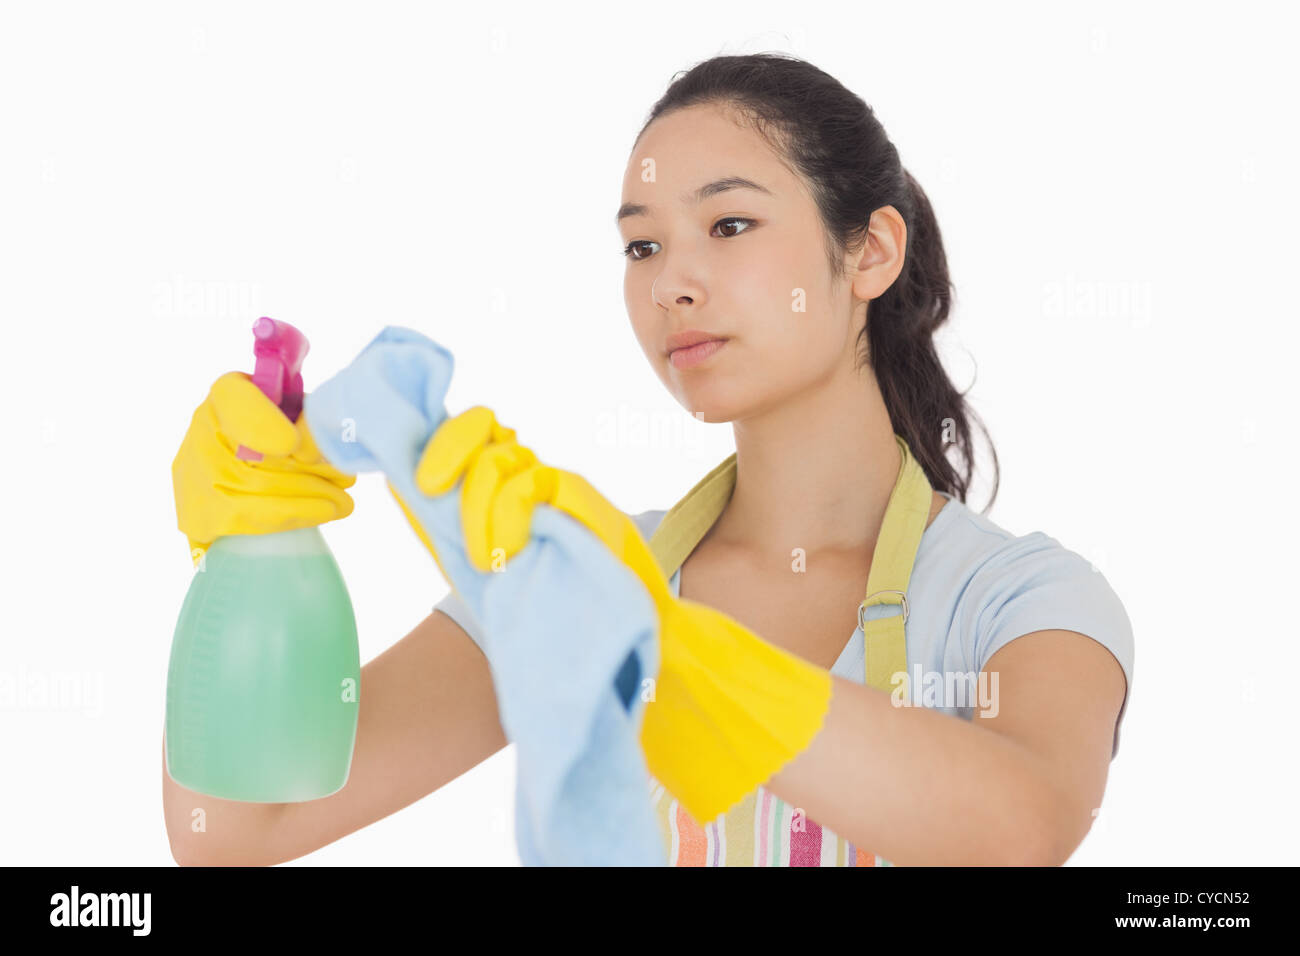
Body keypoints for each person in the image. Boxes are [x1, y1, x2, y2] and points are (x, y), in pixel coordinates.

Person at [164, 53, 1132, 867]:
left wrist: (670, 647)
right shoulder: (576, 577)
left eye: (729, 225)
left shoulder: (1017, 596)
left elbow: (1026, 819)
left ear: (871, 250)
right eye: (641, 247)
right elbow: (239, 826)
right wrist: (249, 552)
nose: (671, 282)